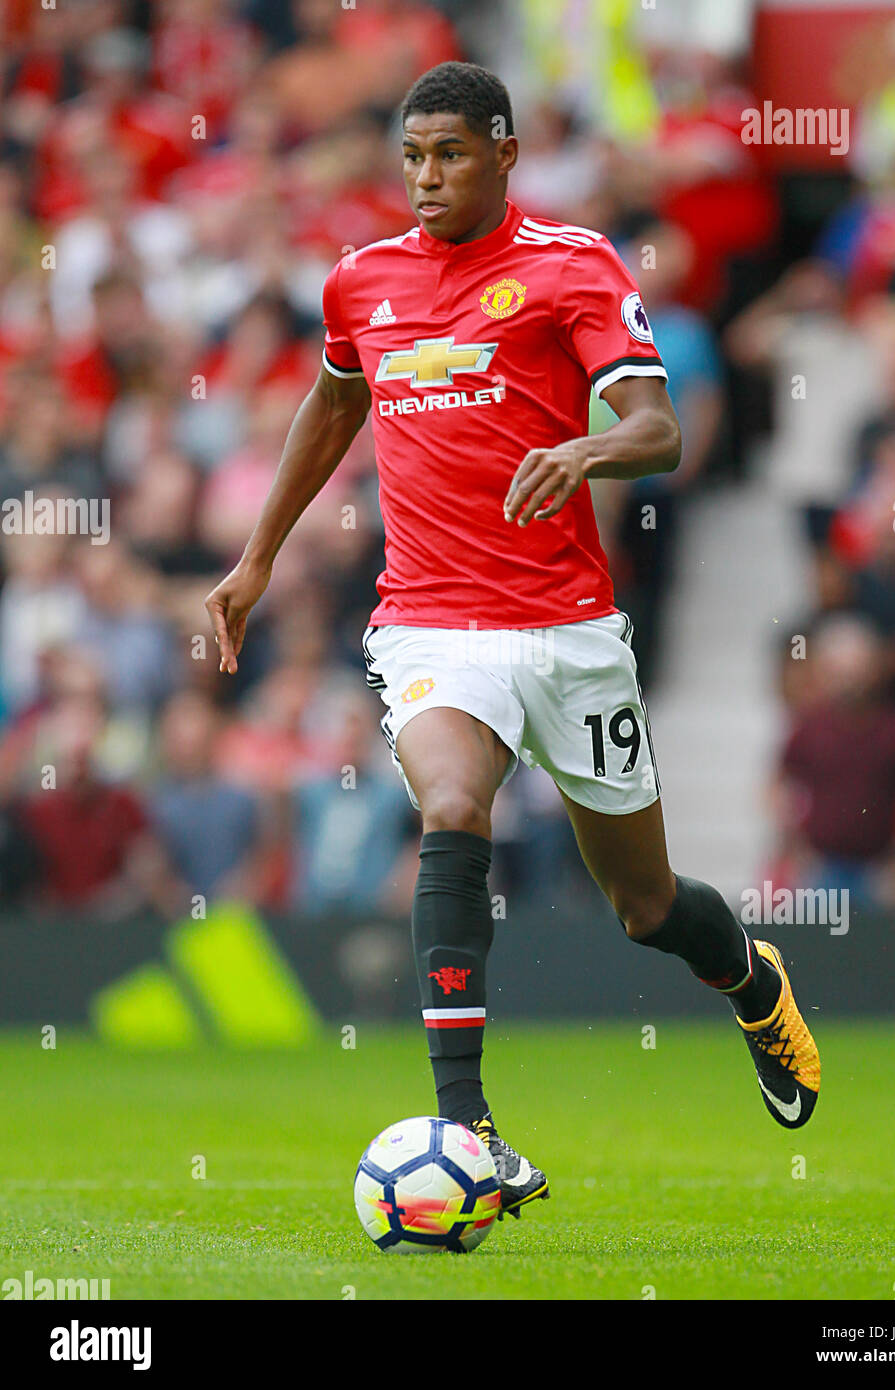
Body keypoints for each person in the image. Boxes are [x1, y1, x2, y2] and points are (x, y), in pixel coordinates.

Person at [205, 62, 821, 1220]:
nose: (425, 178)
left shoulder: (571, 264)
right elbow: (335, 402)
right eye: (410, 157)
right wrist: (256, 557)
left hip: (568, 629)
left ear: (501, 151)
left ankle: (750, 982)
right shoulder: (361, 282)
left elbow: (658, 428)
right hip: (430, 617)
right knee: (449, 805)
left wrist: (586, 451)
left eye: (446, 154)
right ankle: (469, 1128)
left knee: (643, 908)